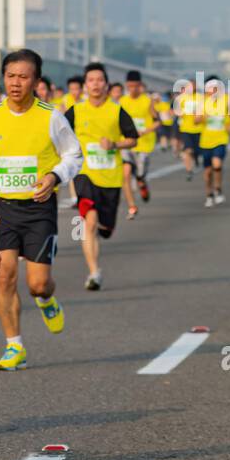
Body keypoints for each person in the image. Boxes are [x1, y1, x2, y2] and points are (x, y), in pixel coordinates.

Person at [0, 49, 81, 371]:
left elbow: (74, 155)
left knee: (37, 284)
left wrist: (54, 176)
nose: (15, 83)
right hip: (1, 207)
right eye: (10, 76)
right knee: (4, 276)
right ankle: (14, 346)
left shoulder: (51, 117)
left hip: (38, 209)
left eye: (23, 76)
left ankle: (46, 299)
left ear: (35, 81)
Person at [65, 63, 137, 292]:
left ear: (106, 84)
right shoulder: (76, 111)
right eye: (91, 80)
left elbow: (133, 138)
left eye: (99, 80)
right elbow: (57, 135)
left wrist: (115, 144)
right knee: (89, 222)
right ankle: (94, 272)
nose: (95, 84)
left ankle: (104, 235)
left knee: (104, 227)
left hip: (110, 177)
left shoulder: (116, 110)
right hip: (85, 174)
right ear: (85, 85)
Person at [119, 70, 159, 218]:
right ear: (127, 86)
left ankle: (142, 184)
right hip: (127, 144)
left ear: (140, 85)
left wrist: (145, 131)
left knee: (140, 176)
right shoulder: (122, 101)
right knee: (126, 173)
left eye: (136, 86)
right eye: (130, 86)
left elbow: (157, 122)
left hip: (144, 145)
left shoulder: (147, 101)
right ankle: (132, 206)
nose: (133, 89)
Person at [195, 75, 230, 207]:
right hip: (205, 140)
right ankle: (209, 194)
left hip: (221, 138)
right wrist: (204, 115)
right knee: (207, 171)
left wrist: (229, 126)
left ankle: (218, 189)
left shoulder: (226, 100)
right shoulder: (202, 102)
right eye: (211, 89)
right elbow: (196, 120)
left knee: (217, 164)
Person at [175, 78, 201, 181]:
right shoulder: (182, 98)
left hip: (198, 129)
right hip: (186, 128)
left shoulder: (200, 98)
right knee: (188, 150)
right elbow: (177, 111)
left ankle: (197, 157)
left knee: (197, 150)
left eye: (193, 86)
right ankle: (189, 170)